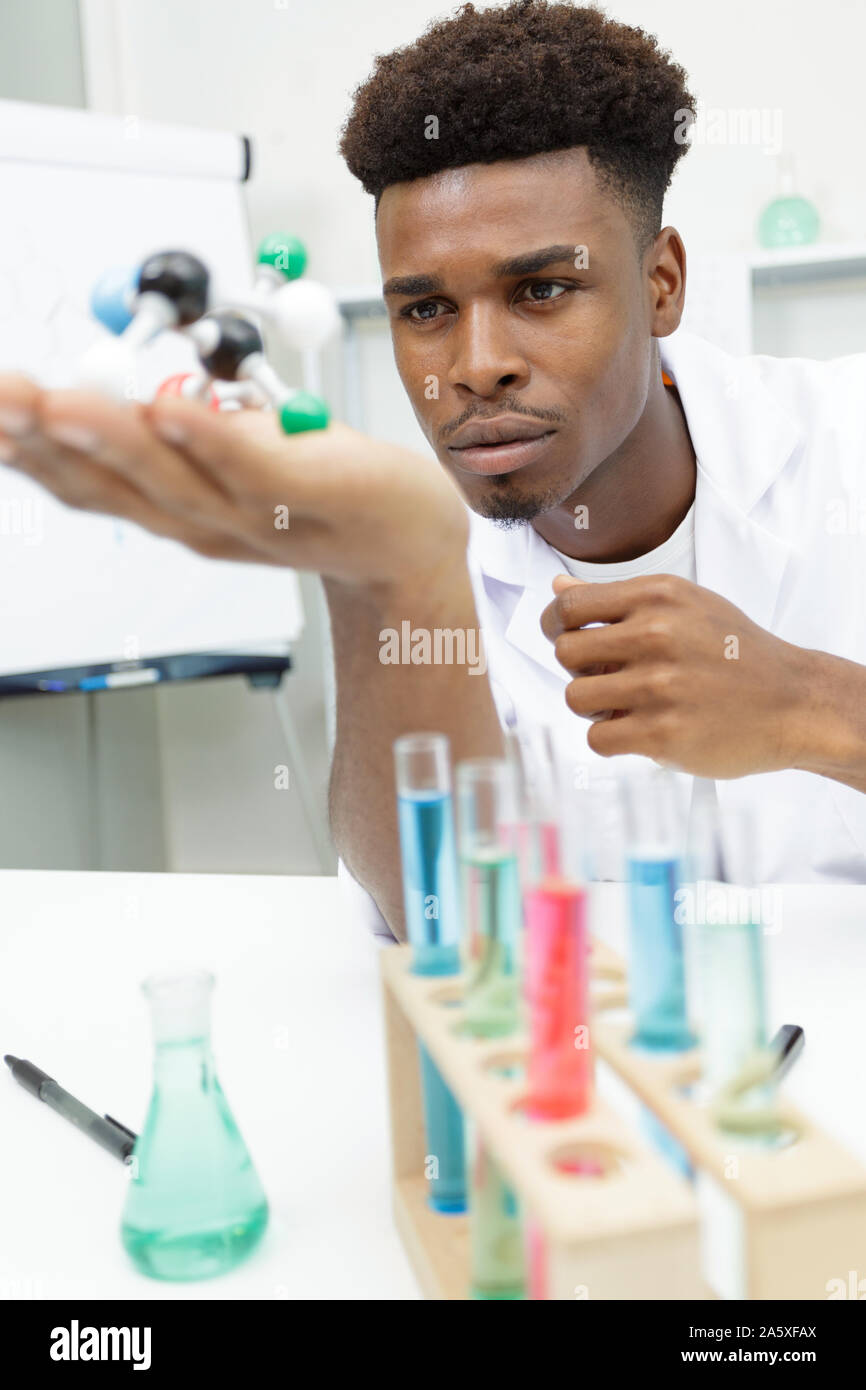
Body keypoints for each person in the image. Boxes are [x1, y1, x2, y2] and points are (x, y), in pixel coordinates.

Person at [0, 1, 864, 940]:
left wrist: (808, 707)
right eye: (425, 310)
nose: (475, 363)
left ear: (661, 285)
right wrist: (382, 570)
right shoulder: (421, 550)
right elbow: (436, 918)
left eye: (541, 289)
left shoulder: (845, 440)